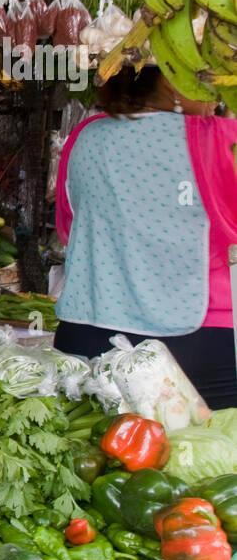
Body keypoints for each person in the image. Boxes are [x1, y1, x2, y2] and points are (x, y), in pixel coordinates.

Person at [53, 65, 237, 408]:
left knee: (94, 456)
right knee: (210, 457)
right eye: (207, 76)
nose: (216, 94)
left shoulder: (85, 136)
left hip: (87, 340)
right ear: (171, 75)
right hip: (194, 344)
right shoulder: (218, 138)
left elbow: (68, 228)